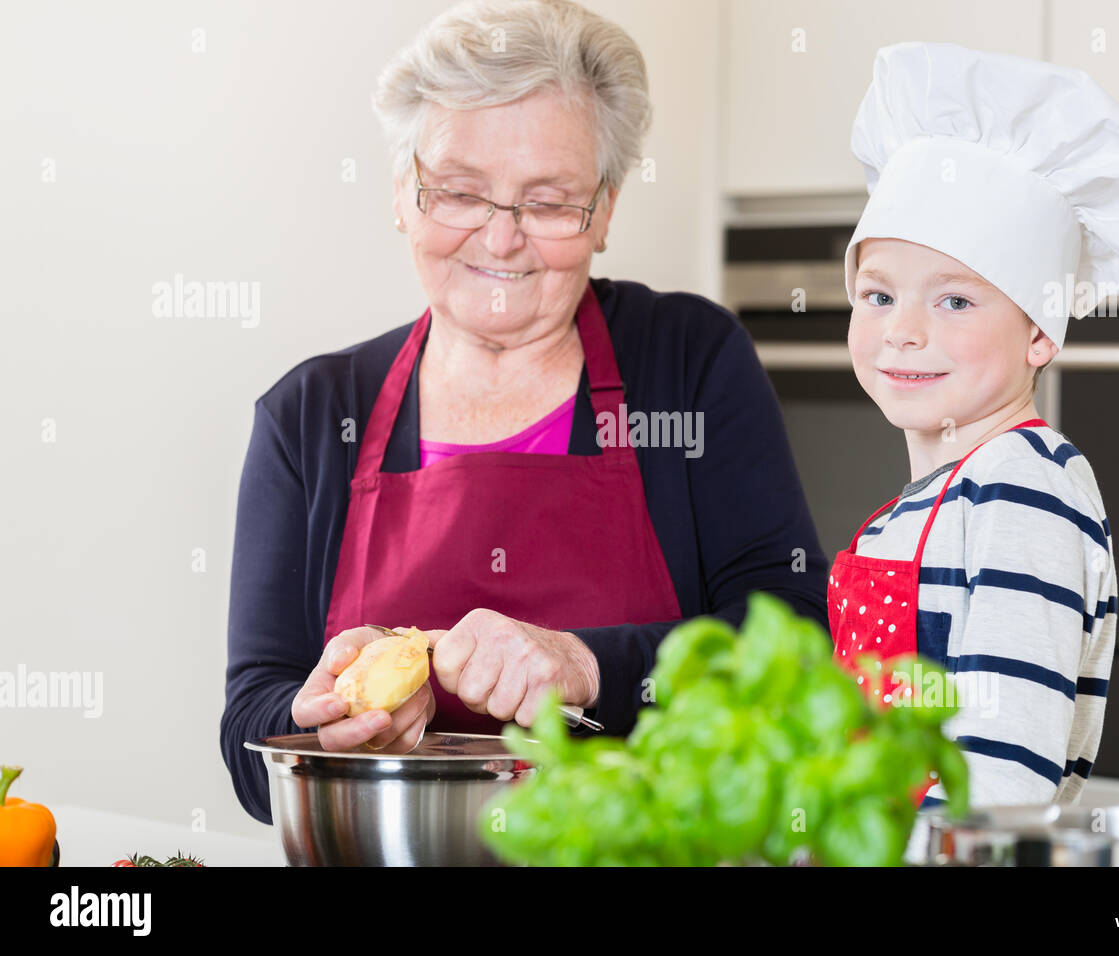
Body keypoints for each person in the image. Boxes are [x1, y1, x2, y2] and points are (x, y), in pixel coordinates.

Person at [220, 0, 827, 825]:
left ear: (605, 209)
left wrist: (587, 668)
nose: (501, 240)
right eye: (461, 192)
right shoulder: (310, 418)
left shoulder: (687, 362)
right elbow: (251, 741)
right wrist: (324, 720)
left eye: (548, 202)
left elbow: (795, 645)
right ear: (404, 192)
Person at [828, 41, 1119, 809]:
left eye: (954, 300)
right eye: (878, 294)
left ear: (1040, 333)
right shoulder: (917, 507)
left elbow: (1002, 778)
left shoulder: (1023, 486)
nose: (903, 330)